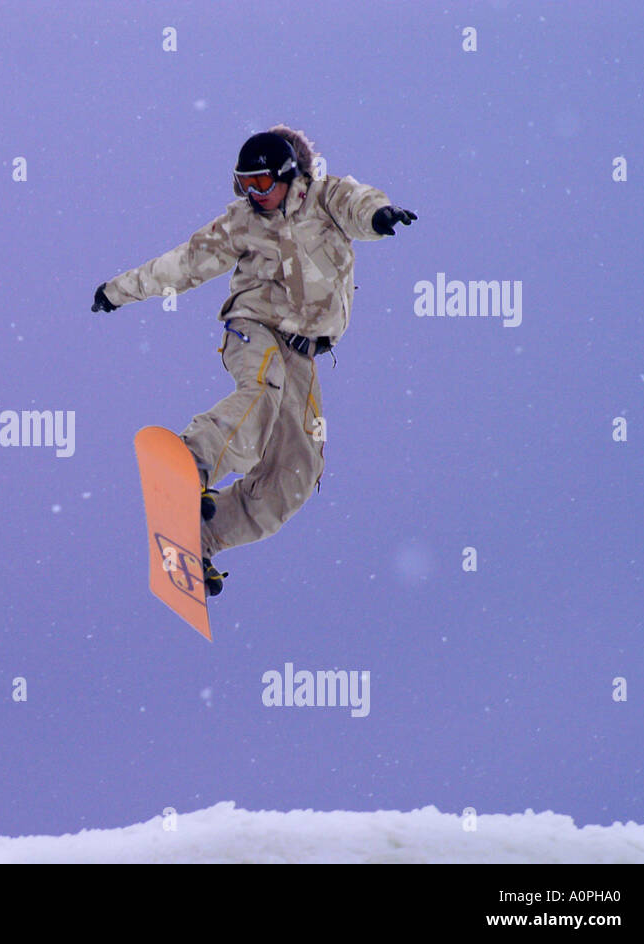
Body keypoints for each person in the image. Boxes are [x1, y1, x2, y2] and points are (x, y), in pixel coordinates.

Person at [92, 125, 416, 596]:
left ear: (289, 176)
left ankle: (201, 536)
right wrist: (117, 291)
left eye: (263, 184)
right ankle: (191, 462)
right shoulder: (242, 223)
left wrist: (380, 216)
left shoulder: (325, 198)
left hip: (304, 353)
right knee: (261, 392)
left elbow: (358, 204)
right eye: (245, 185)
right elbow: (183, 264)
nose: (255, 194)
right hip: (255, 327)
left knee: (296, 474)